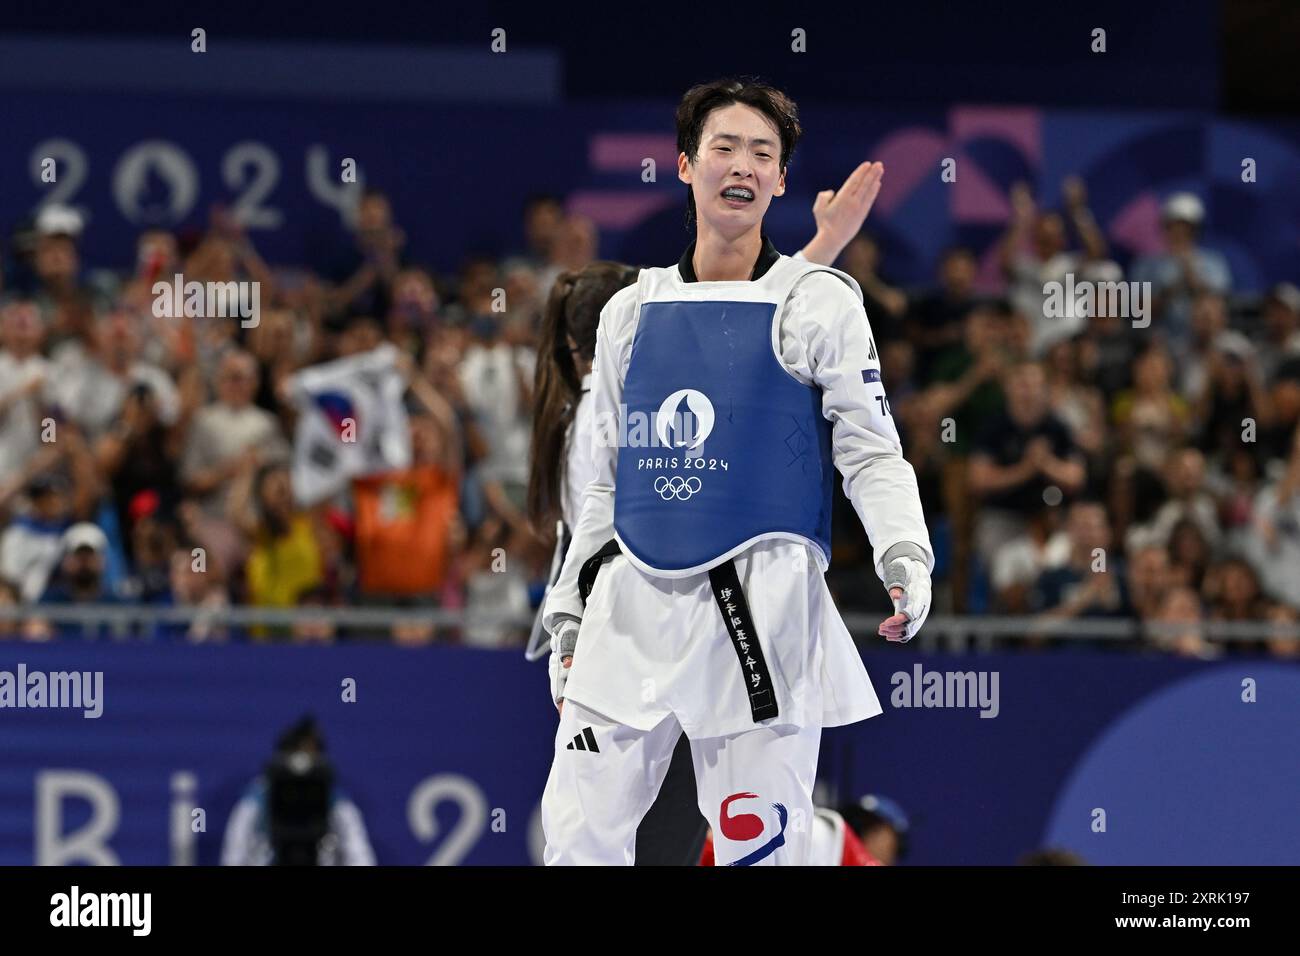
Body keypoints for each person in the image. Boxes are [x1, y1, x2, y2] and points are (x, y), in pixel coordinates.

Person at [537, 78, 933, 866]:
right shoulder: (629, 312)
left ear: (781, 178)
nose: (742, 165)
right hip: (631, 601)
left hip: (764, 599)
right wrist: (568, 607)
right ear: (685, 165)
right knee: (577, 837)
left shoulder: (820, 302)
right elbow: (605, 482)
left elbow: (870, 448)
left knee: (758, 846)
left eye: (762, 152)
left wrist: (904, 551)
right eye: (724, 147)